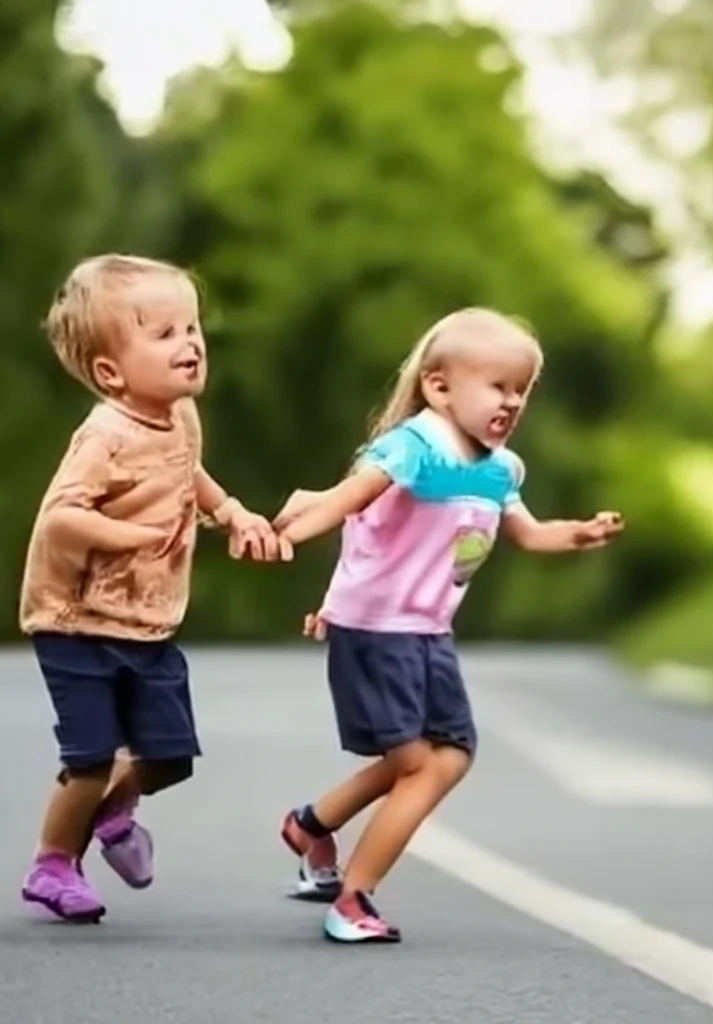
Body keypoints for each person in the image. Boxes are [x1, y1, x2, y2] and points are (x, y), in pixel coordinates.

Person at [273, 307, 624, 943]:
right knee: (417, 764)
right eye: (498, 386)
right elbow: (346, 501)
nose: (512, 401)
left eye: (522, 390)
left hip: (428, 632)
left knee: (450, 755)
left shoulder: (500, 468)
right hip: (376, 629)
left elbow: (529, 534)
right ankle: (352, 898)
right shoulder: (413, 447)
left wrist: (578, 533)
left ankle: (311, 824)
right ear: (439, 387)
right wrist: (286, 535)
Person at [19, 254, 287, 923]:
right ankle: (54, 864)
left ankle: (113, 813)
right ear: (111, 372)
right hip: (76, 621)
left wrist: (232, 512)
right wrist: (130, 536)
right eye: (164, 334)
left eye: (191, 328)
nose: (189, 344)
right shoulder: (104, 435)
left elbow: (187, 470)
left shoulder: (181, 416)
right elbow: (61, 519)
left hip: (148, 620)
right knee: (90, 758)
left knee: (170, 756)